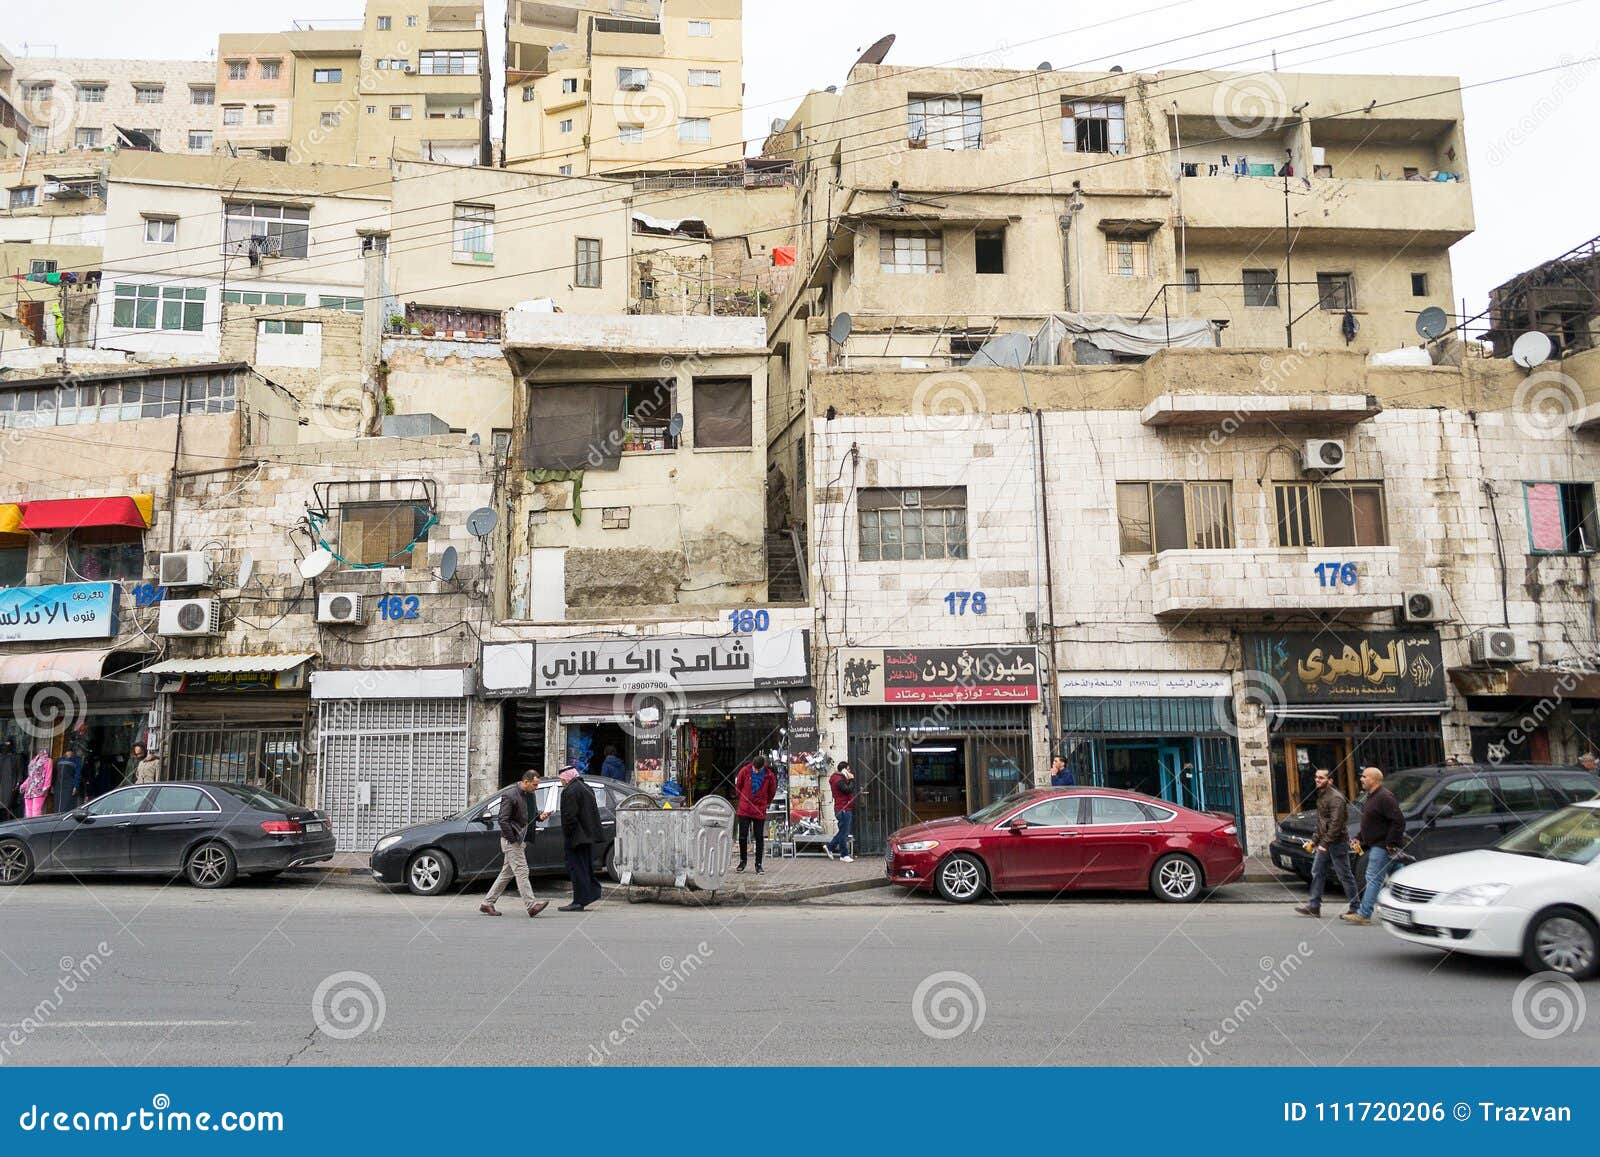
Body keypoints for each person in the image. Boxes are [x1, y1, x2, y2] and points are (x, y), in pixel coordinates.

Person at [480, 771, 550, 918]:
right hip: (512, 840)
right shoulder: (510, 795)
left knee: (507, 873)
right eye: (535, 784)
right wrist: (512, 839)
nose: (537, 788)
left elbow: (528, 815)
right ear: (526, 781)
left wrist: (540, 817)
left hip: (520, 839)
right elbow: (503, 820)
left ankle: (487, 903)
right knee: (522, 871)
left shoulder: (529, 794)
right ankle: (531, 906)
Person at [1343, 767, 1407, 925]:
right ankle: (1412, 904)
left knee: (1372, 878)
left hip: (1382, 846)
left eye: (1364, 777)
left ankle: (1364, 914)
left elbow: (1398, 821)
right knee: (1400, 877)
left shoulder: (1385, 797)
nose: (1361, 779)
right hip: (1378, 844)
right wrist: (1359, 838)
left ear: (1374, 779)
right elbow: (1371, 823)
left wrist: (1391, 843)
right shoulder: (1371, 797)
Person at [1294, 768, 1360, 918]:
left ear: (1330, 781)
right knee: (1317, 871)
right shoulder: (1322, 796)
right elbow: (1322, 823)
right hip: (1326, 842)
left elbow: (1336, 824)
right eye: (1316, 777)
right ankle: (1314, 905)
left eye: (1322, 778)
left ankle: (1355, 907)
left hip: (1337, 843)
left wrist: (1324, 843)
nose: (1318, 780)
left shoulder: (1335, 798)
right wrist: (1314, 840)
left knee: (1344, 875)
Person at [559, 767, 604, 911]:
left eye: (561, 779)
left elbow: (569, 816)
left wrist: (568, 835)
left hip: (576, 838)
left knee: (576, 868)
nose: (561, 782)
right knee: (585, 867)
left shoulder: (570, 791)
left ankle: (579, 900)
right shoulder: (586, 788)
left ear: (567, 777)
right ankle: (591, 894)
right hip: (587, 837)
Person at [733, 754, 777, 873]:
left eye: (759, 769)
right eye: (755, 769)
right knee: (742, 836)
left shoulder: (769, 776)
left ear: (763, 766)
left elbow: (772, 792)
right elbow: (738, 786)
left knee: (759, 837)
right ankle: (743, 861)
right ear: (752, 765)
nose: (756, 771)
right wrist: (742, 798)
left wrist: (765, 802)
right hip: (745, 808)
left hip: (759, 809)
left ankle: (758, 864)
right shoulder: (745, 771)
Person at [824, 760, 857, 862]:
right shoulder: (838, 780)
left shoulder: (839, 778)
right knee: (844, 832)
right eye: (848, 769)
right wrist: (852, 780)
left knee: (843, 831)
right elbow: (848, 789)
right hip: (843, 809)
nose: (850, 771)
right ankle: (844, 855)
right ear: (844, 770)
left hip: (843, 808)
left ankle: (830, 848)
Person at [21, 748, 53, 819]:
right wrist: (23, 785)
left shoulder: (48, 760)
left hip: (39, 788)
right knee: (28, 810)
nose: (41, 751)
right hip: (29, 789)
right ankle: (28, 825)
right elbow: (30, 776)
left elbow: (48, 775)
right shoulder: (33, 761)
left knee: (36, 810)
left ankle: (35, 827)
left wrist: (46, 787)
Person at [0, 738, 20, 820]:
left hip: (10, 784)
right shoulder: (1, 757)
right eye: (5, 743)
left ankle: (8, 820)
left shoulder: (16, 757)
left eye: (8, 743)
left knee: (8, 804)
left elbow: (19, 771)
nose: (6, 745)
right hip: (2, 783)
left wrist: (17, 783)